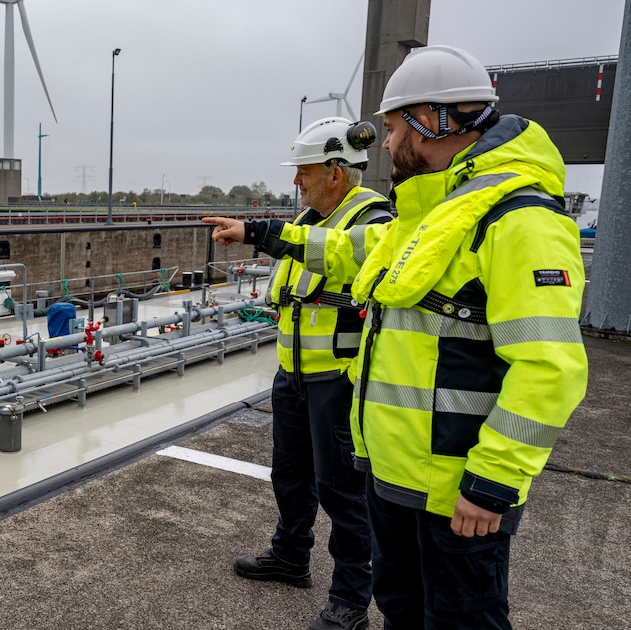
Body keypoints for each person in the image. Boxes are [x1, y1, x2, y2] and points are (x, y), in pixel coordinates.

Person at [205, 45, 588, 629]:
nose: (382, 145)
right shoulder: (426, 215)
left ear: (433, 120)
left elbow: (549, 366)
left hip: (457, 492)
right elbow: (340, 249)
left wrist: (492, 483)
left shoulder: (517, 220)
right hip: (398, 476)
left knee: (462, 619)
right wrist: (257, 230)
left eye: (389, 128)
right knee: (404, 613)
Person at [205, 117, 393, 630]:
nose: (296, 182)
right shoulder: (312, 217)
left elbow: (344, 258)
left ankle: (352, 600)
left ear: (336, 171)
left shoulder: (375, 219)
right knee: (289, 476)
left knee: (342, 493)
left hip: (338, 377)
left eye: (304, 171)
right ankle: (290, 556)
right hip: (294, 374)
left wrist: (258, 233)